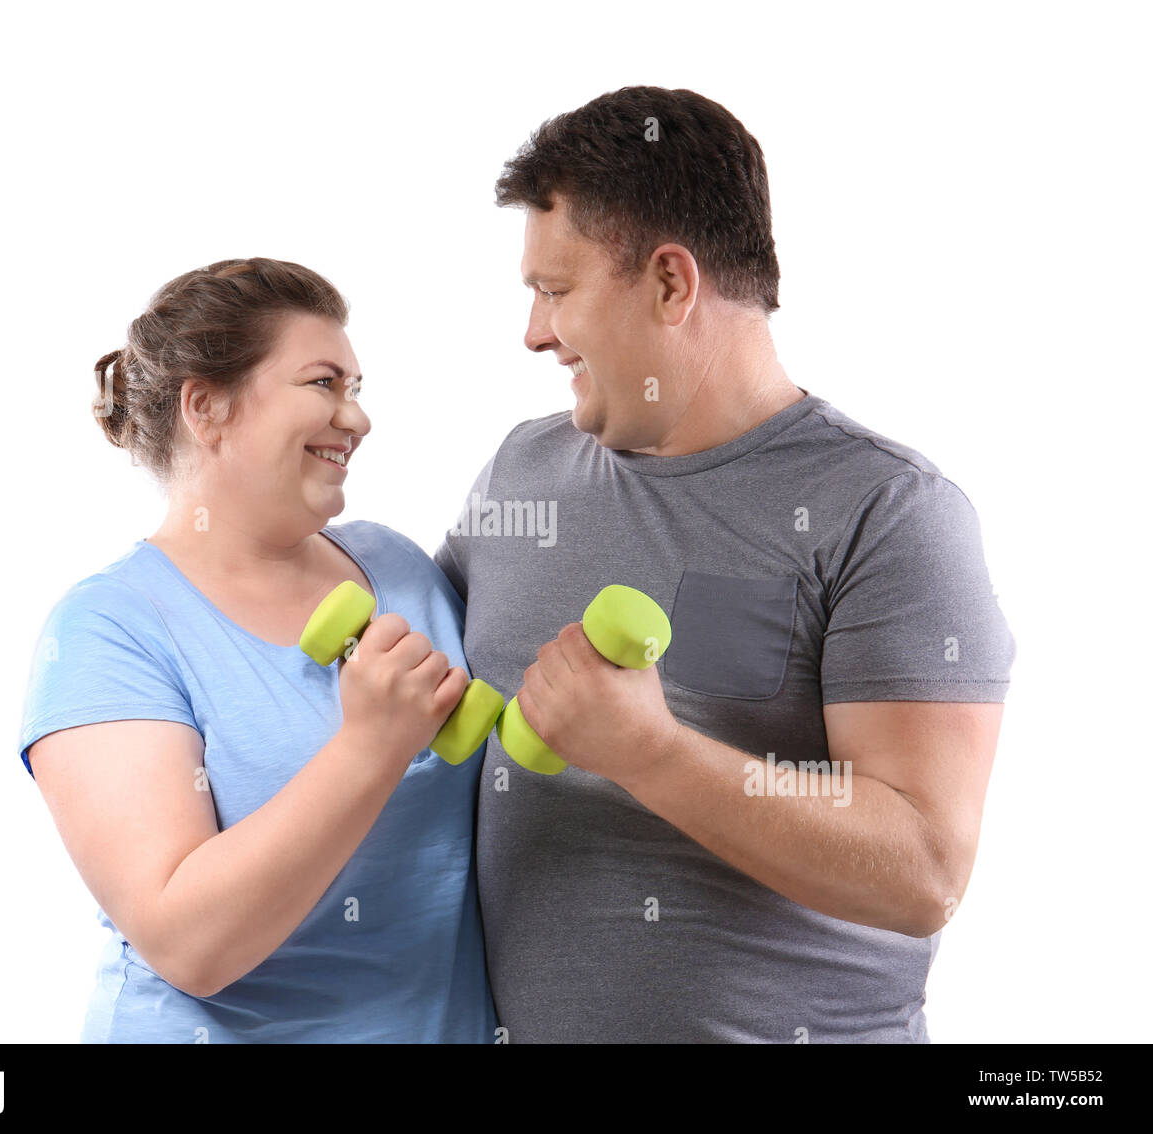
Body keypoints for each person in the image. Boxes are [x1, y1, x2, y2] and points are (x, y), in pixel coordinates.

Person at [434, 86, 1016, 1043]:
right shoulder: (522, 470)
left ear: (671, 283)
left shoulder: (889, 514)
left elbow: (924, 870)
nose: (534, 333)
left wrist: (650, 754)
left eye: (556, 290)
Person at [19, 258, 497, 1043]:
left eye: (357, 389)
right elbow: (188, 945)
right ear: (207, 407)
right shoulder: (107, 630)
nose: (357, 418)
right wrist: (369, 746)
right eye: (322, 384)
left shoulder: (401, 568)